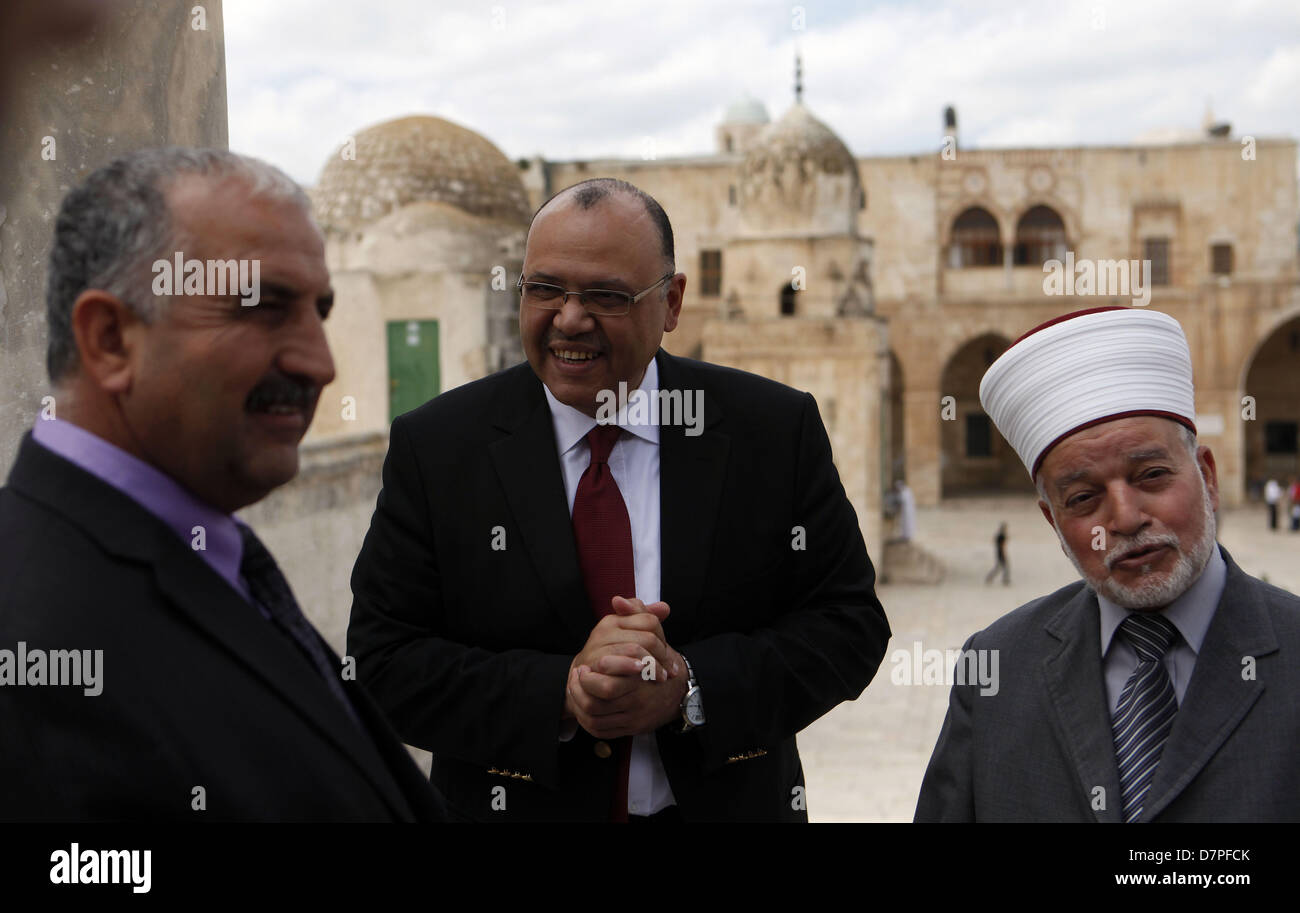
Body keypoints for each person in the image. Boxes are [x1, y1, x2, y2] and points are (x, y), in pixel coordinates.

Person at [347, 177, 891, 822]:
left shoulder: (768, 431)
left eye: (606, 296)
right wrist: (562, 692)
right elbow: (380, 661)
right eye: (544, 289)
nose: (569, 319)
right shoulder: (438, 447)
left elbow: (849, 625)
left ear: (672, 302)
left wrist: (690, 687)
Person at [0, 148, 446, 822]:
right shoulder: (39, 649)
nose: (319, 363)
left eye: (318, 311)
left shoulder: (209, 550)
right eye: (262, 306)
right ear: (111, 338)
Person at [915, 307, 1300, 822]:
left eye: (1152, 476)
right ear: (1052, 522)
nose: (1124, 519)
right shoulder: (998, 669)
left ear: (1207, 477)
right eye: (1083, 498)